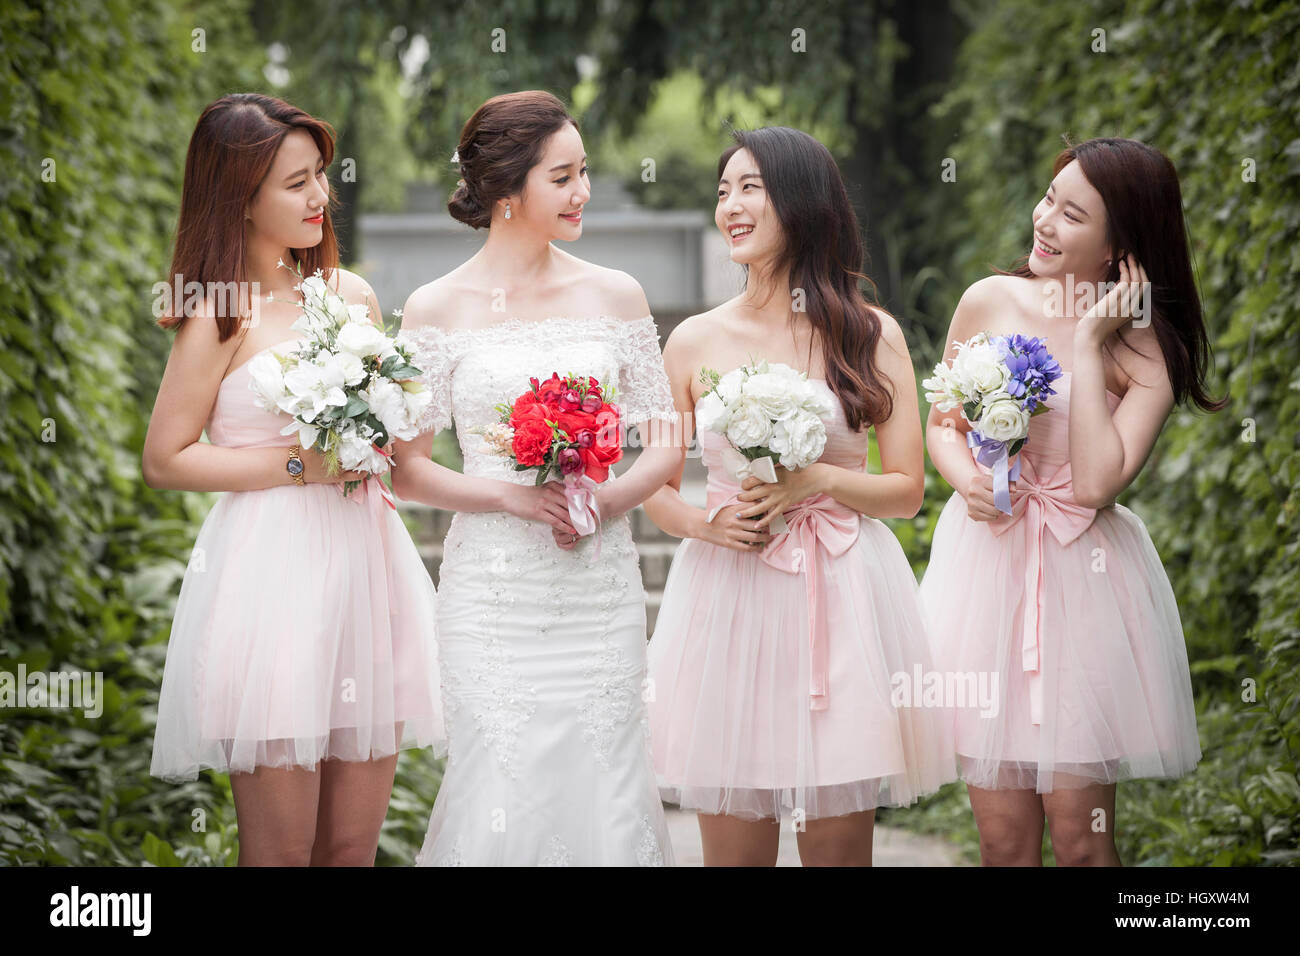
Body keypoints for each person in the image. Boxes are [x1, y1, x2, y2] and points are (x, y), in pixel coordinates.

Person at [643, 126, 957, 866]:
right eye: (723, 191)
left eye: (751, 187)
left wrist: (817, 481)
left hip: (844, 594)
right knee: (735, 843)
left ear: (803, 201)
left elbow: (906, 490)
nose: (731, 206)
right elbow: (652, 487)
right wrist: (707, 524)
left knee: (841, 847)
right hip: (729, 596)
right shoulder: (690, 341)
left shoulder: (869, 334)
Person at [144, 93, 443, 866]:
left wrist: (414, 402)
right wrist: (298, 465)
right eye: (295, 183)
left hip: (366, 570)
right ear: (238, 199)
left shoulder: (350, 297)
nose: (320, 197)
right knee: (278, 853)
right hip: (271, 582)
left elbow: (396, 447)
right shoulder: (219, 313)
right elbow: (166, 457)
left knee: (349, 847)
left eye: (319, 176)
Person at [391, 90, 684, 866]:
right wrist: (515, 500)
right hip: (492, 591)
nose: (583, 191)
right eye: (563, 177)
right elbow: (408, 469)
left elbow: (664, 444)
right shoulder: (433, 308)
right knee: (500, 774)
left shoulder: (615, 294)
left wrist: (606, 499)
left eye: (584, 172)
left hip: (596, 580)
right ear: (504, 190)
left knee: (608, 775)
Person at [919, 136, 1220, 866]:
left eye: (1073, 214)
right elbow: (942, 422)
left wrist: (1089, 340)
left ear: (1123, 245)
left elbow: (1094, 485)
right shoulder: (989, 299)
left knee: (1084, 843)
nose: (1045, 221)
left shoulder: (1147, 349)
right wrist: (966, 481)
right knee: (1003, 838)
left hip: (1082, 582)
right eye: (1049, 198)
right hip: (986, 572)